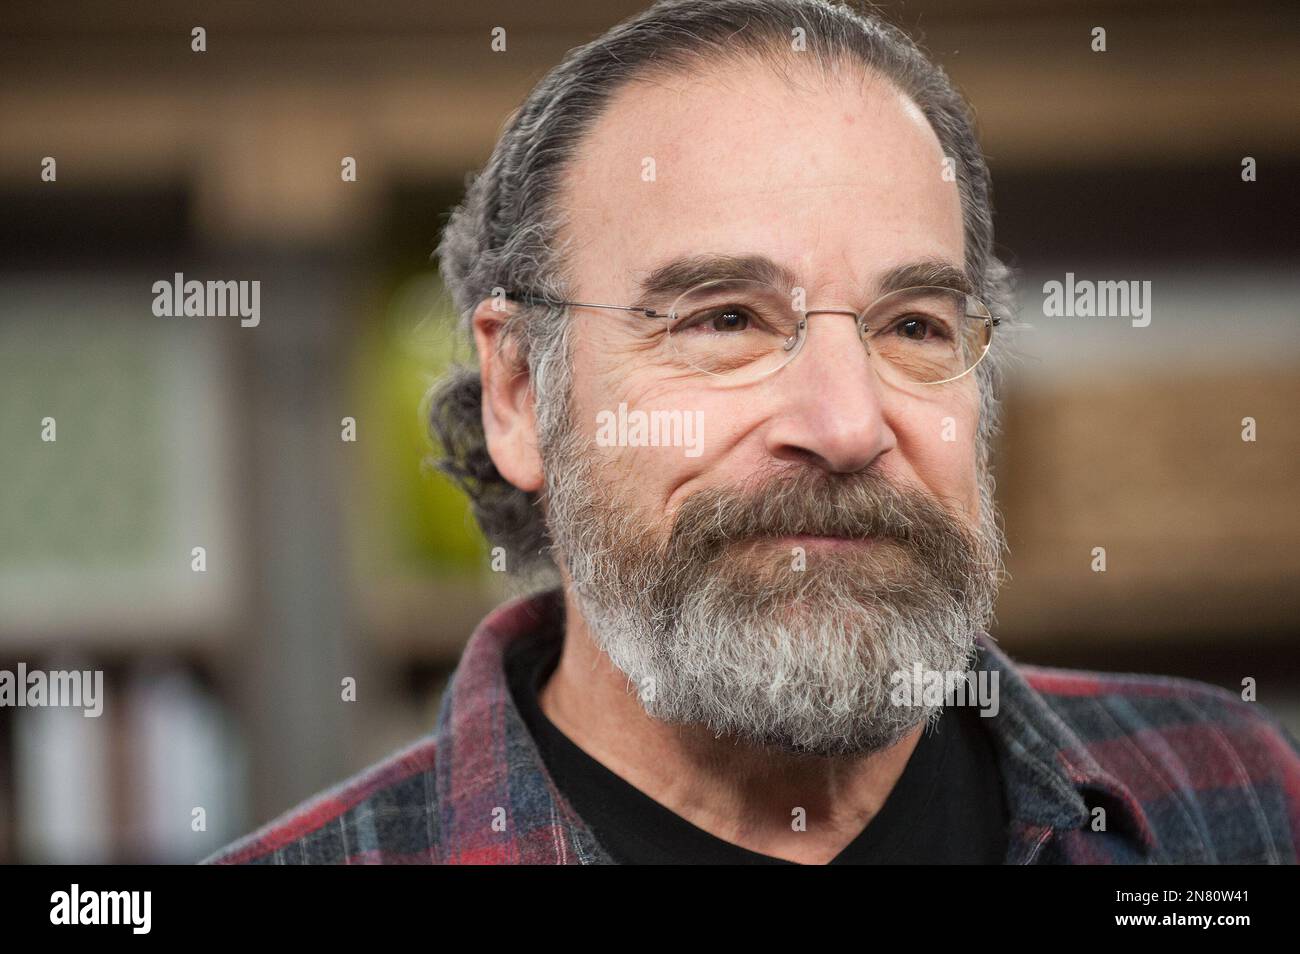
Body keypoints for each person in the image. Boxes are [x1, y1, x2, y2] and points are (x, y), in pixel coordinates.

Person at [205, 0, 1300, 865]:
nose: (843, 424)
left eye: (913, 325)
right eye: (725, 319)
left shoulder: (1229, 790)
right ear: (520, 395)